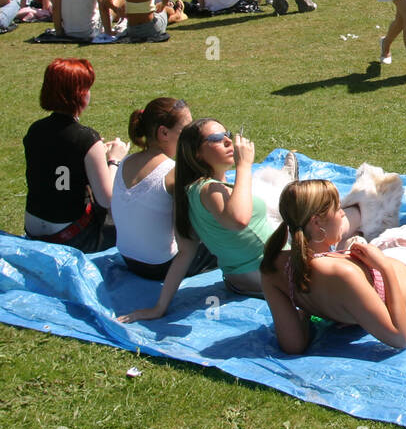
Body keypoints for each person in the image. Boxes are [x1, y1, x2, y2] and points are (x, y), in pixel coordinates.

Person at [259, 180, 406, 352]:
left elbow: (293, 345)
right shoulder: (342, 273)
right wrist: (383, 268)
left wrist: (313, 308)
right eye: (338, 210)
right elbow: (399, 338)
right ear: (316, 222)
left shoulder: (273, 268)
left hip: (403, 264)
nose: (343, 216)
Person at [112, 99, 221, 319]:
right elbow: (187, 247)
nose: (193, 137)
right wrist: (159, 307)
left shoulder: (125, 161)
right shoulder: (172, 172)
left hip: (128, 259)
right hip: (159, 266)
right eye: (186, 130)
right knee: (229, 233)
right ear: (163, 133)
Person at [23, 58, 128, 253]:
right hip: (69, 237)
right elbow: (106, 199)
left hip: (33, 229)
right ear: (80, 94)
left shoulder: (35, 130)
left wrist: (95, 156)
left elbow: (59, 163)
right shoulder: (86, 138)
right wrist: (114, 159)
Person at [170, 119, 270, 297]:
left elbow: (185, 253)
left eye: (228, 135)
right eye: (217, 138)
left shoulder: (190, 192)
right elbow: (238, 220)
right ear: (197, 153)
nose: (228, 141)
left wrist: (160, 306)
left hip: (241, 279)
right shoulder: (209, 189)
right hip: (268, 273)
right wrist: (244, 166)